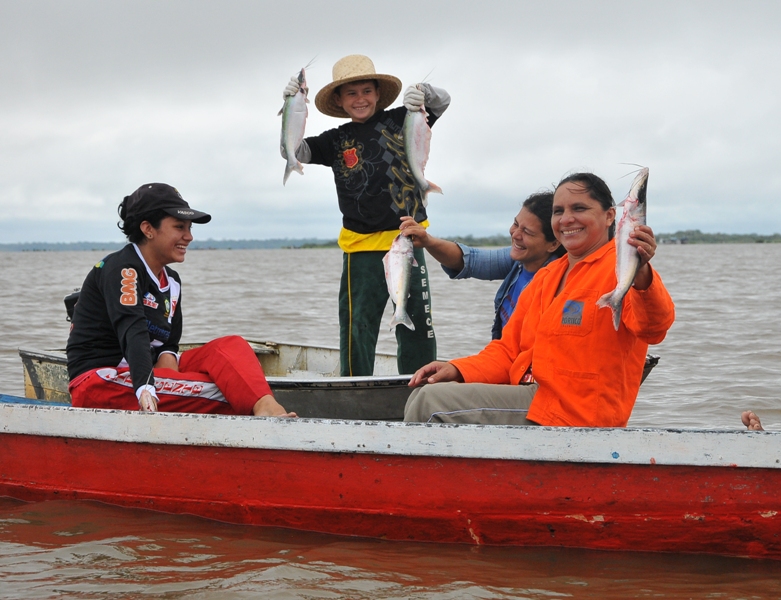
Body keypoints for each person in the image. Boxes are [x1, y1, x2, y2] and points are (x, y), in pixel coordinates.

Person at [404, 172, 675, 427]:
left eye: (579, 208)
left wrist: (641, 272)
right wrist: (456, 368)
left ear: (610, 216)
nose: (566, 219)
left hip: (575, 413)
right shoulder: (547, 276)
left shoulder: (623, 269)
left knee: (431, 402)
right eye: (558, 211)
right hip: (535, 398)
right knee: (423, 393)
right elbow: (507, 351)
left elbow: (654, 328)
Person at [280, 54, 451, 376]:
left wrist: (425, 93)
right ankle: (354, 386)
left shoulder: (405, 118)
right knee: (357, 326)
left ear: (378, 93)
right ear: (339, 100)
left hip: (408, 241)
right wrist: (291, 105)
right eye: (351, 93)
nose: (360, 99)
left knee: (418, 324)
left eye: (367, 91)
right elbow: (293, 150)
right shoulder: (334, 139)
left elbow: (442, 102)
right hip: (360, 249)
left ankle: (421, 386)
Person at [66, 183, 296, 417]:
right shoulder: (124, 270)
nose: (189, 237)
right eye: (179, 227)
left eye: (189, 228)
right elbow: (132, 329)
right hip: (101, 382)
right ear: (148, 229)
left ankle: (267, 408)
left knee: (232, 346)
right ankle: (266, 412)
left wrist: (168, 361)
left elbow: (169, 342)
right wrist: (146, 388)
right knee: (228, 392)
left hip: (149, 371)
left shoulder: (172, 280)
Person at [399, 191, 566, 340]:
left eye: (527, 232)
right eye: (516, 224)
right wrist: (428, 241)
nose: (515, 234)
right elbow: (470, 260)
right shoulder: (519, 261)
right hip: (502, 355)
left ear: (553, 244)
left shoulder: (557, 285)